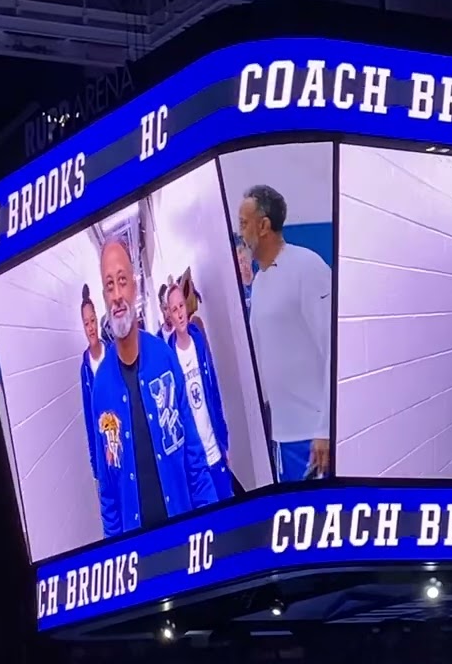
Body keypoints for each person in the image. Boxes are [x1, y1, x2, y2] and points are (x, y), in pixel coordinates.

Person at [90, 240, 217, 537]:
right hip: (139, 552)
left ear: (134, 287)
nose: (118, 294)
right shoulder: (101, 389)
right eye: (109, 286)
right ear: (104, 297)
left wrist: (212, 525)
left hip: (184, 532)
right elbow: (108, 494)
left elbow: (193, 454)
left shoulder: (164, 358)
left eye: (122, 281)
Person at [239, 184, 332, 482]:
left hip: (314, 439)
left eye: (244, 224)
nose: (240, 233)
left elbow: (335, 349)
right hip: (282, 436)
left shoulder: (308, 267)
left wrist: (325, 429)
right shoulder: (261, 282)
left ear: (264, 226)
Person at [166, 283, 235, 501]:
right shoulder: (169, 357)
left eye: (181, 306)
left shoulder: (200, 343)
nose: (180, 314)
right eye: (174, 309)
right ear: (169, 315)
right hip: (196, 462)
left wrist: (224, 440)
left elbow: (214, 393)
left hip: (215, 449)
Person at [79, 284, 107, 485]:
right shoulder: (85, 370)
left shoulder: (113, 355)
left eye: (92, 321)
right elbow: (89, 418)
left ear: (97, 320)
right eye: (86, 323)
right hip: (104, 453)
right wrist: (95, 465)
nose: (90, 327)